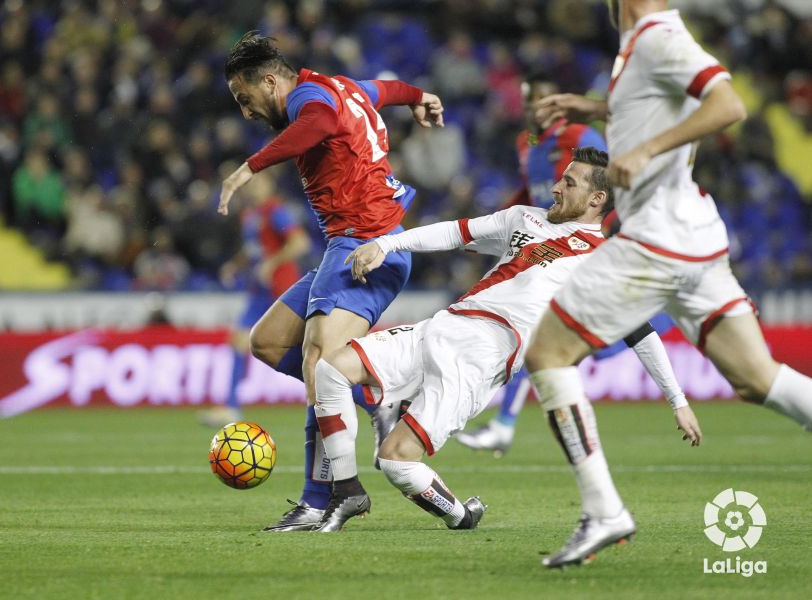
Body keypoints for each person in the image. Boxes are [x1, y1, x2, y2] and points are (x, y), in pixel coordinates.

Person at [524, 0, 812, 569]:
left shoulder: (657, 35)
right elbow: (652, 107)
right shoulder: (641, 46)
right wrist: (592, 107)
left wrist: (650, 149)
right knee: (756, 379)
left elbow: (727, 105)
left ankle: (604, 512)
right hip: (693, 233)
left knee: (548, 352)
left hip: (658, 235)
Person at [309, 148, 702, 532]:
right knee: (330, 370)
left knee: (396, 462)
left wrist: (678, 401)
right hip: (443, 324)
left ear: (597, 198)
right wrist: (387, 243)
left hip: (483, 355)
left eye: (569, 182)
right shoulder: (523, 217)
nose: (556, 188)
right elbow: (455, 231)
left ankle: (460, 516)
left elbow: (640, 331)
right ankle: (346, 490)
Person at [218, 32, 445, 531]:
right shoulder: (344, 86)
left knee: (320, 364)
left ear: (272, 81)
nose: (245, 111)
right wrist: (420, 96)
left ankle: (326, 497)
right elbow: (388, 89)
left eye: (245, 98)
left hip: (365, 244)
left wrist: (248, 169)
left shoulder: (309, 101)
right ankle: (373, 392)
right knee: (268, 341)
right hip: (349, 247)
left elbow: (317, 125)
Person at [455, 75, 680, 455]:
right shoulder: (526, 144)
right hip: (549, 244)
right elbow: (534, 194)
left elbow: (611, 187)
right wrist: (500, 223)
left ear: (558, 103)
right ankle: (511, 425)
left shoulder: (581, 136)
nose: (535, 110)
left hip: (583, 247)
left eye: (543, 101)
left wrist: (595, 241)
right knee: (542, 338)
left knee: (553, 337)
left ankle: (507, 425)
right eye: (529, 103)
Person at [200, 170, 310, 426]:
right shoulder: (250, 215)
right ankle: (231, 407)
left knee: (307, 348)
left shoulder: (275, 211)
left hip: (281, 289)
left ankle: (348, 390)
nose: (252, 187)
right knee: (237, 341)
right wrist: (236, 265)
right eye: (250, 183)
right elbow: (255, 250)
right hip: (258, 291)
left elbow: (300, 243)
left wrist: (272, 264)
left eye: (259, 182)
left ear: (270, 185)